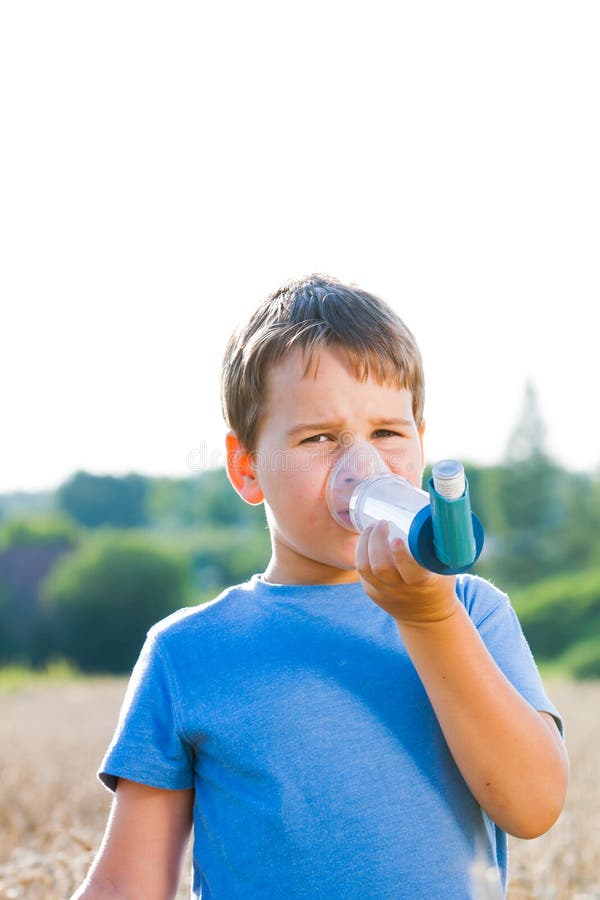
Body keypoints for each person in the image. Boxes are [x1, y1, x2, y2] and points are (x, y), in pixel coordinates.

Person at [71, 274, 568, 900]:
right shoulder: (188, 652)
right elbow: (129, 884)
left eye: (388, 432)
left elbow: (533, 806)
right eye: (320, 438)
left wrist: (430, 620)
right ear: (247, 467)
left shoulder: (471, 610)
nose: (364, 467)